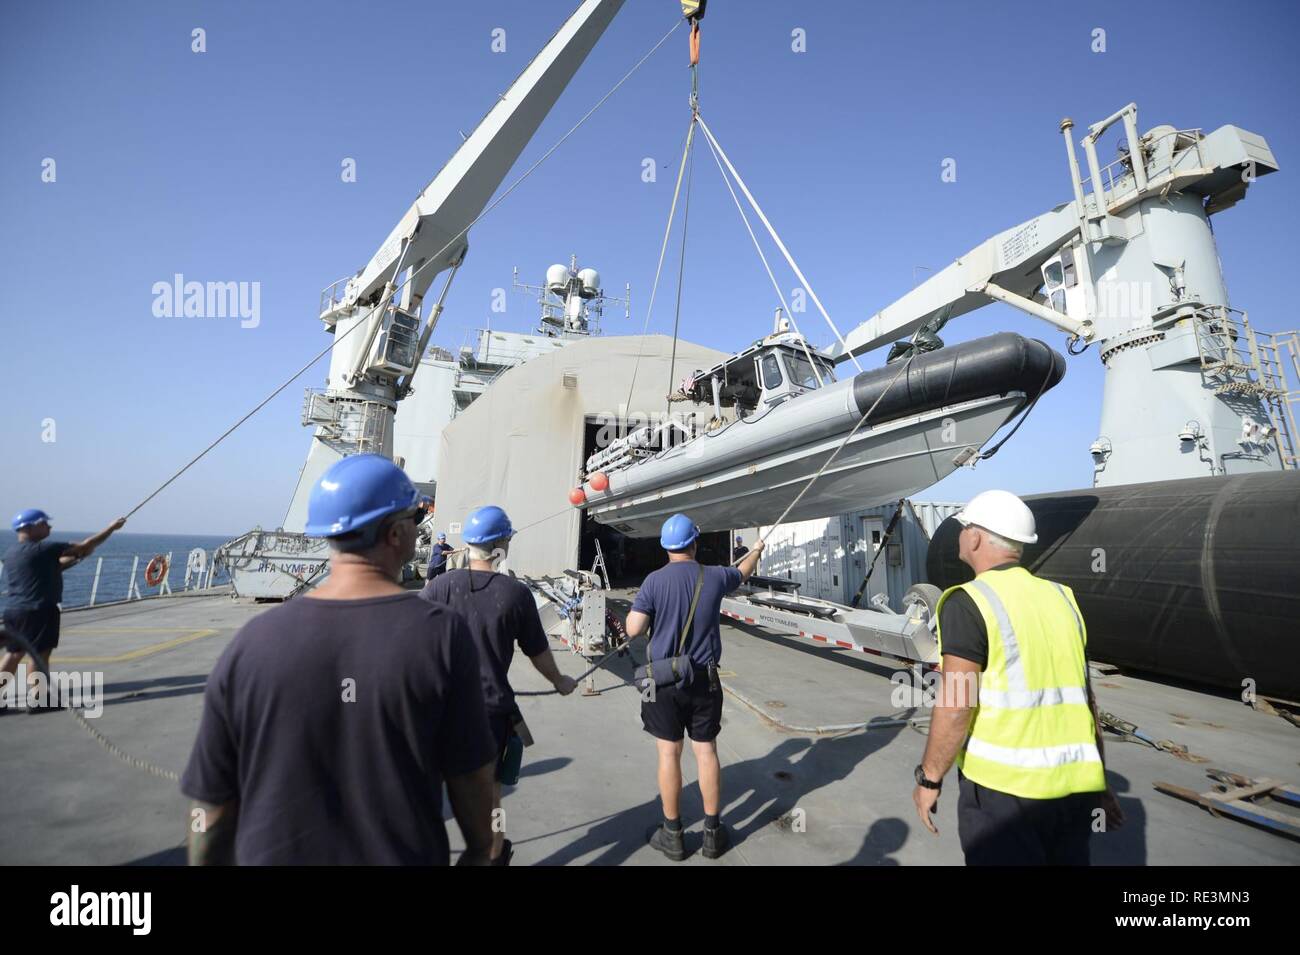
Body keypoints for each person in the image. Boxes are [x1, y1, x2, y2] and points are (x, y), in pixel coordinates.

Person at [180, 454, 497, 865]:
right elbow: (471, 773)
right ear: (396, 533)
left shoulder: (252, 642)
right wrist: (478, 850)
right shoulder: (443, 636)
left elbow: (211, 805)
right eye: (415, 521)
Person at [911, 489, 1123, 865]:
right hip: (1074, 790)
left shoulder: (968, 601)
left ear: (975, 537)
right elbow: (1087, 701)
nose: (961, 536)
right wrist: (1100, 785)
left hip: (1004, 796)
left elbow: (957, 701)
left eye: (964, 529)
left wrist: (930, 778)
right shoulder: (1063, 598)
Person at [420, 504, 577, 865]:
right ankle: (493, 856)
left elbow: (412, 640)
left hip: (441, 711)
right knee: (491, 794)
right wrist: (560, 681)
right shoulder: (515, 594)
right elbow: (538, 652)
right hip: (489, 714)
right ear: (502, 544)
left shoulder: (439, 587)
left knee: (432, 789)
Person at [624, 513, 763, 861]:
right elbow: (743, 572)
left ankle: (673, 836)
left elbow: (633, 629)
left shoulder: (653, 582)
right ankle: (713, 835)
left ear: (665, 548)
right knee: (706, 752)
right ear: (694, 544)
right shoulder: (714, 576)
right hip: (705, 680)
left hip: (663, 681)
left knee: (669, 753)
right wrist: (756, 550)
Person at [2, 510, 125, 709]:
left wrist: (77, 557)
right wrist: (111, 528)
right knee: (40, 654)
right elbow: (85, 547)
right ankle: (39, 700)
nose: (49, 527)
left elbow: (53, 567)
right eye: (45, 524)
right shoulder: (46, 548)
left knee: (13, 654)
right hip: (39, 610)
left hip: (14, 612)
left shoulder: (11, 553)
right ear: (30, 527)